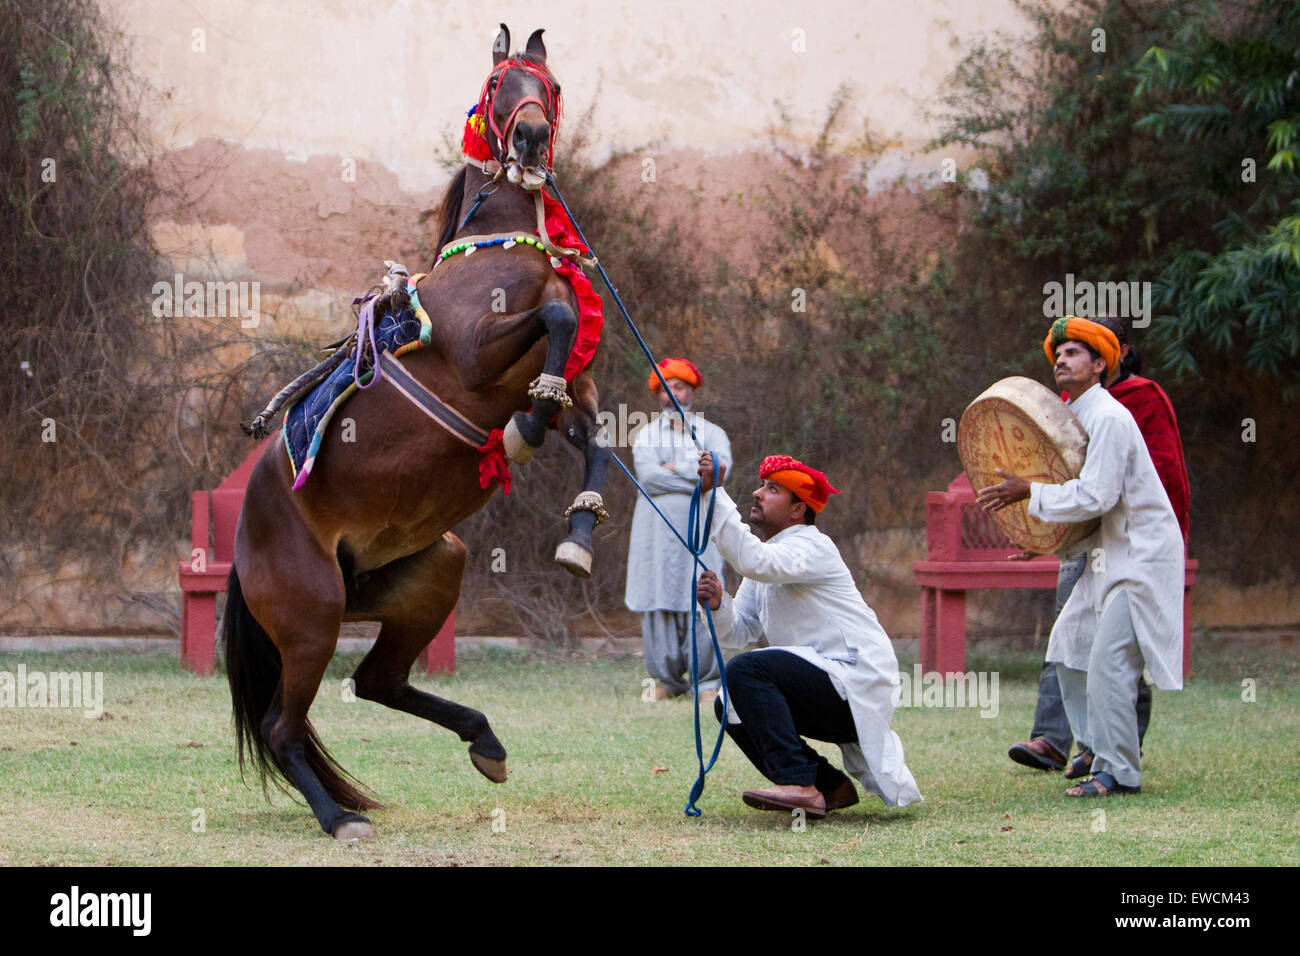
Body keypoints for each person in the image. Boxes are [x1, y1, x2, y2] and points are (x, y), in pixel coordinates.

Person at [978, 317, 1185, 797]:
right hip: (1102, 556)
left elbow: (1097, 497)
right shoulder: (1073, 419)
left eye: (1073, 353)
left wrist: (1028, 490)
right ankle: (1092, 746)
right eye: (1059, 354)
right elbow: (1086, 511)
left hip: (1140, 558)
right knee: (1069, 648)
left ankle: (1118, 773)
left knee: (1111, 661)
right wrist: (1041, 542)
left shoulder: (1109, 417)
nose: (1061, 361)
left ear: (1099, 364)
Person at [694, 451, 923, 819]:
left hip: (854, 683)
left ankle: (797, 784)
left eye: (771, 489)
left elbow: (754, 561)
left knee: (746, 672)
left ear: (798, 509)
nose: (756, 493)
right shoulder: (769, 556)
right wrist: (720, 606)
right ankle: (828, 787)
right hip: (824, 686)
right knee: (728, 703)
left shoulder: (813, 547)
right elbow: (741, 632)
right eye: (762, 486)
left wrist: (715, 493)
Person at [624, 358, 732, 701]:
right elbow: (649, 478)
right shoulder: (645, 435)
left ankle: (708, 684)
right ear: (660, 395)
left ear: (691, 392)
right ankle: (668, 683)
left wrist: (677, 468)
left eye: (680, 387)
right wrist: (692, 472)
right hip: (655, 538)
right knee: (659, 601)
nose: (674, 394)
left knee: (702, 596)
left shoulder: (713, 433)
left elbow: (716, 473)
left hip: (701, 532)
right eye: (667, 388)